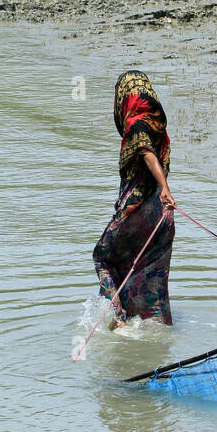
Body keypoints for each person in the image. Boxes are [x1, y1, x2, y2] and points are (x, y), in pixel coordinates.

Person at [93, 70, 176, 326]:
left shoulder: (136, 124)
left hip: (137, 212)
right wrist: (165, 194)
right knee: (151, 274)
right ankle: (154, 326)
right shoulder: (158, 127)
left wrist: (164, 188)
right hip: (161, 218)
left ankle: (118, 319)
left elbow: (146, 153)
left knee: (103, 257)